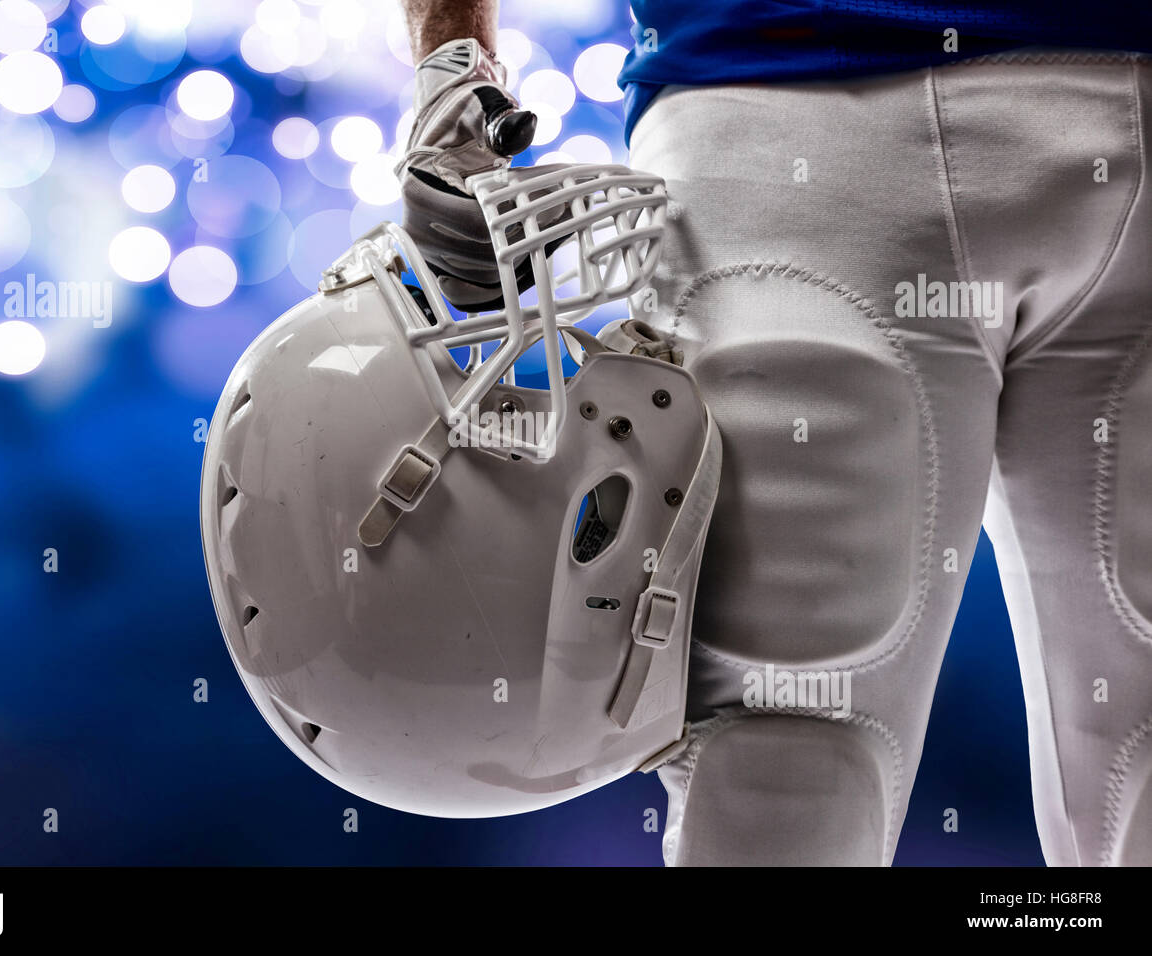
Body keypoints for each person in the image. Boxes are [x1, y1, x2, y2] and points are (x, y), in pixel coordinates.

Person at [396, 0, 1152, 866]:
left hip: (780, 130)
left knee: (784, 761)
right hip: (790, 108)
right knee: (785, 768)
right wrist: (450, 61)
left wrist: (451, 65)